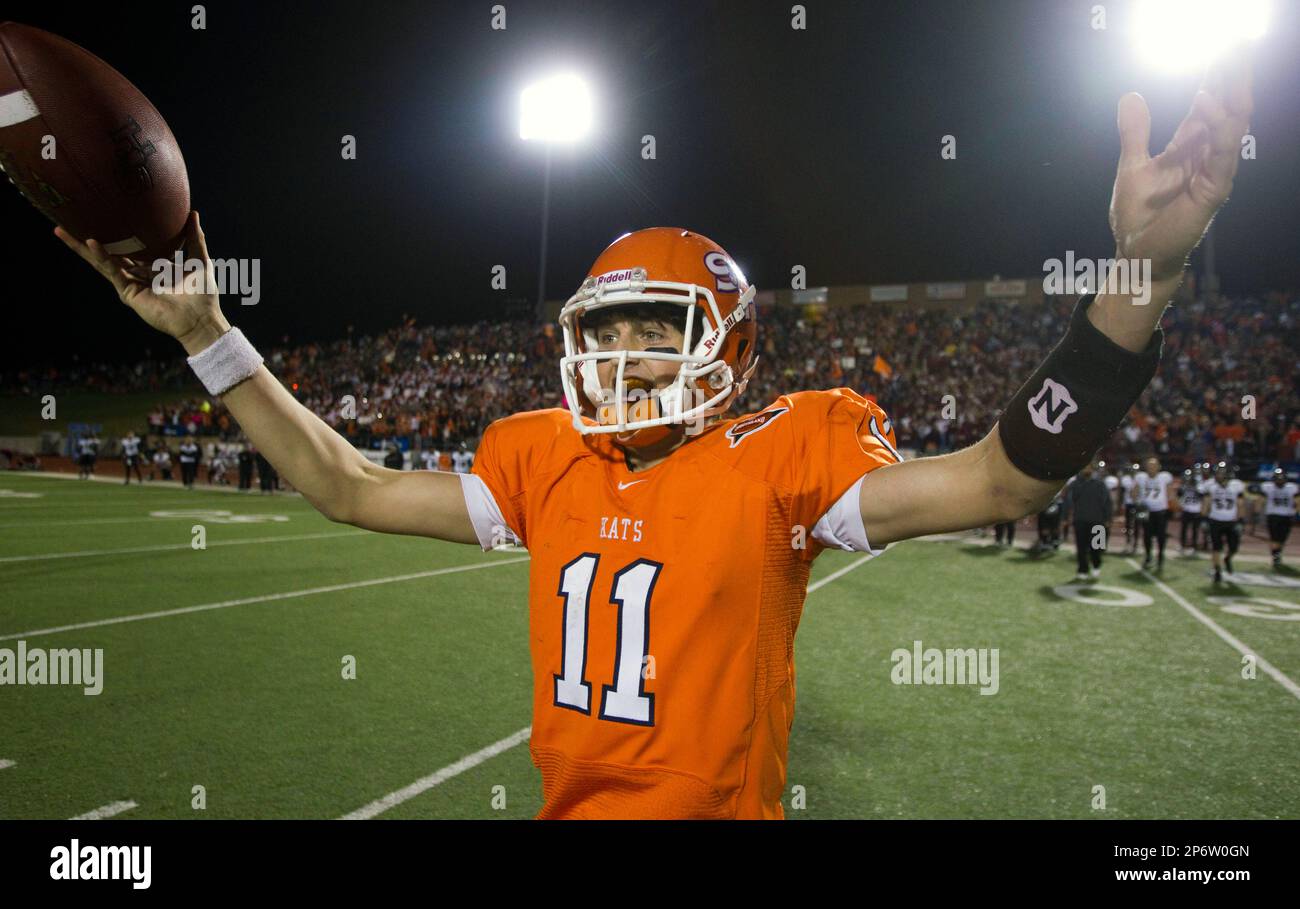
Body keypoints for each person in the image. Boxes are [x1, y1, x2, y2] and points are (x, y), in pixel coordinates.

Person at [56, 58, 1250, 819]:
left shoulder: (789, 450)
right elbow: (348, 485)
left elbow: (1003, 481)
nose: (619, 359)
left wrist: (1139, 277)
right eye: (604, 332)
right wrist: (208, 333)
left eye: (651, 332)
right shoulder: (542, 453)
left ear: (726, 350)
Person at [1065, 461, 1113, 581]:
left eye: (1088, 467)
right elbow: (1068, 502)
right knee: (1081, 548)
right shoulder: (1075, 484)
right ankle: (1082, 569)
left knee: (1097, 547)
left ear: (1093, 469)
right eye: (1084, 467)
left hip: (1098, 521)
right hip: (1080, 520)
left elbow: (1108, 503)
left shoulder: (1100, 484)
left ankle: (1096, 565)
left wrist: (1108, 519)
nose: (1086, 470)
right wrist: (1065, 518)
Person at [1203, 461, 1245, 584]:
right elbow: (1207, 503)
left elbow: (1240, 504)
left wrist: (1241, 520)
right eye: (1218, 473)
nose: (1218, 475)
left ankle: (1227, 558)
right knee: (1216, 548)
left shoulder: (1236, 485)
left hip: (1231, 521)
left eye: (1221, 473)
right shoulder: (1210, 485)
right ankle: (1217, 570)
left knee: (1234, 547)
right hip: (1215, 520)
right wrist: (1204, 518)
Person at [1134, 456, 1174, 571]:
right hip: (1146, 511)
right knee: (1147, 535)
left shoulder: (1164, 477)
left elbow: (1170, 493)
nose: (1151, 467)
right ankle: (1148, 555)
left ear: (1158, 467)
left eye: (1154, 465)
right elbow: (1134, 493)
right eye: (1149, 465)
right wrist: (1138, 503)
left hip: (1161, 510)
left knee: (1161, 535)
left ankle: (1160, 555)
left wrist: (1173, 505)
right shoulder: (1141, 477)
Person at [1263, 468, 1298, 569]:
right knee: (1275, 538)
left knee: (1282, 538)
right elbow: (1262, 499)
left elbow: (1297, 501)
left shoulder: (1292, 487)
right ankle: (1276, 555)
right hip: (1273, 515)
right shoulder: (1268, 487)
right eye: (1278, 478)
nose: (1279, 480)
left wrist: (1296, 512)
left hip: (1287, 515)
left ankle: (1277, 553)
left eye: (1281, 478)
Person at [1177, 466, 1205, 555]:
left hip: (1196, 510)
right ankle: (1182, 546)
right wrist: (1185, 486)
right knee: (1184, 529)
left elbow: (1201, 495)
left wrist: (1194, 487)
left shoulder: (1199, 486)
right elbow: (1179, 494)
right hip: (1186, 509)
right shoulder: (1184, 486)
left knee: (1195, 530)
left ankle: (1194, 547)